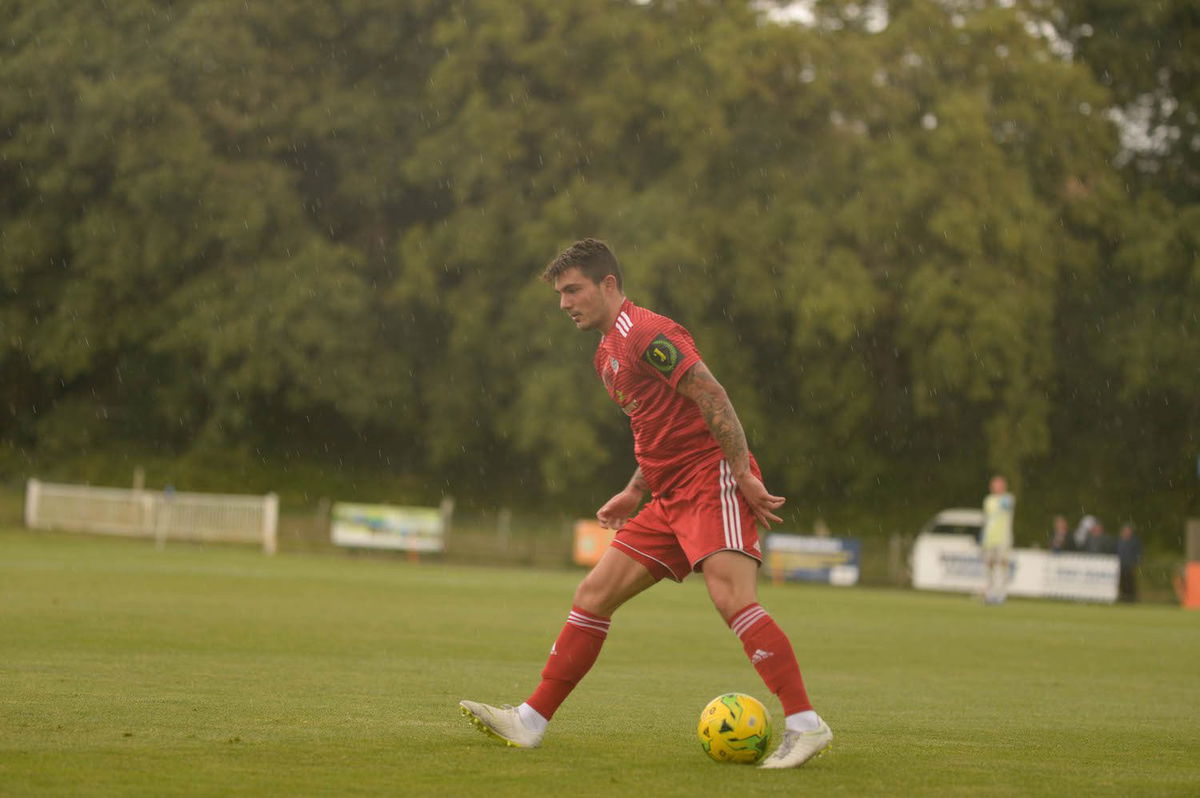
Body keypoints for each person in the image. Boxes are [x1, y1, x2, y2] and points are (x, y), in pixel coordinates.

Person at [459, 238, 832, 769]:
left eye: (573, 290)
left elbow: (711, 395)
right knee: (594, 593)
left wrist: (742, 473)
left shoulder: (648, 334)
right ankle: (530, 720)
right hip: (667, 494)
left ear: (608, 284)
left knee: (732, 599)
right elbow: (661, 425)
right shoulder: (606, 354)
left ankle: (804, 725)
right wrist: (637, 489)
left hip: (710, 481)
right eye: (560, 294)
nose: (565, 303)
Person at [980, 475, 1015, 604]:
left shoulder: (1008, 499)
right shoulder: (988, 500)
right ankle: (990, 594)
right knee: (989, 568)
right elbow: (986, 519)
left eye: (999, 484)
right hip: (989, 539)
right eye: (994, 484)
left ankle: (1000, 594)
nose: (996, 487)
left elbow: (1006, 506)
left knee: (1001, 567)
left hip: (1003, 539)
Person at [1116, 523, 1142, 602]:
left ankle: (1131, 599)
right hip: (1120, 565)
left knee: (1130, 583)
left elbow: (1138, 553)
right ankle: (1123, 598)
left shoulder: (1135, 541)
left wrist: (1136, 562)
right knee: (1121, 583)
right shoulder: (1119, 541)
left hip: (1130, 566)